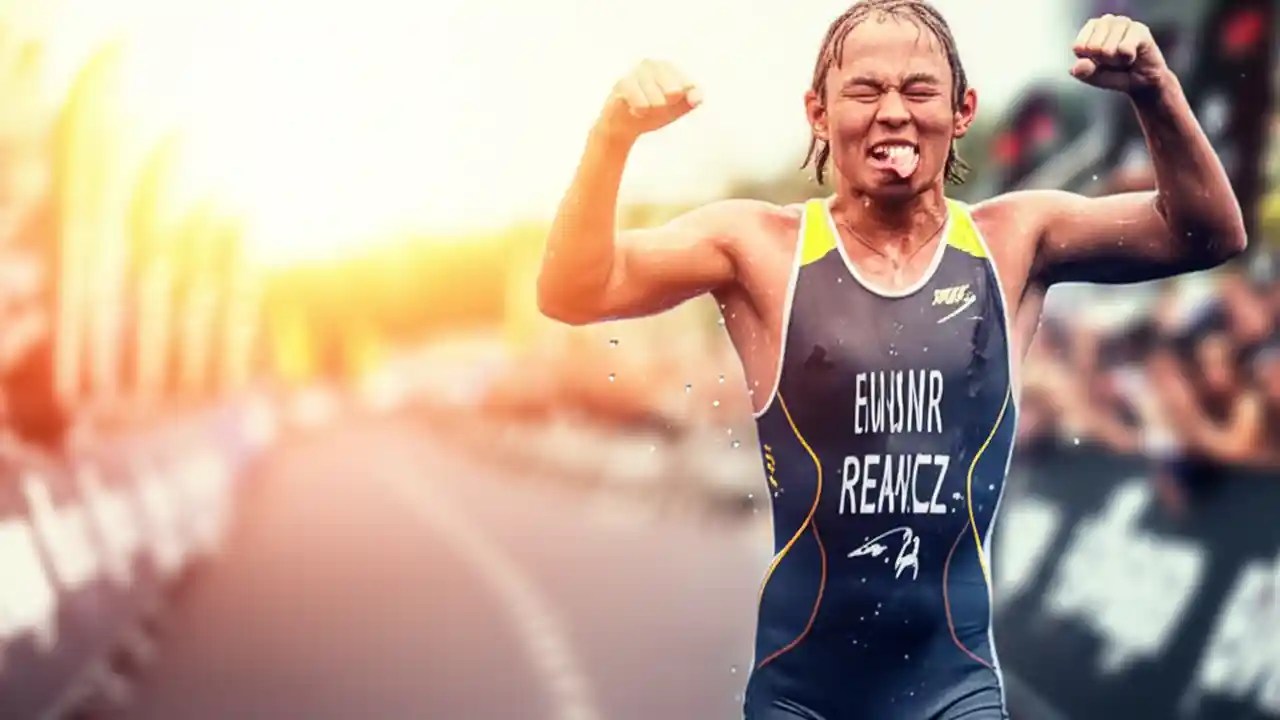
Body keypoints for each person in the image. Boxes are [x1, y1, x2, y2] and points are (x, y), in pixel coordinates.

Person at [536, 1, 1245, 717]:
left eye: (919, 89)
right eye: (866, 91)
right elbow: (573, 289)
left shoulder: (1015, 240)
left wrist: (1156, 89)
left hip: (954, 690)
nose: (894, 112)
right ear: (818, 112)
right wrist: (611, 138)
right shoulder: (758, 248)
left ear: (963, 110)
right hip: (800, 696)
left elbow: (1207, 233)